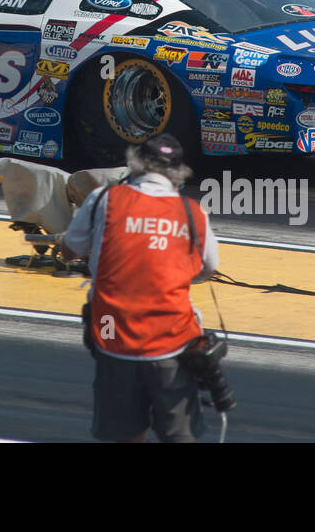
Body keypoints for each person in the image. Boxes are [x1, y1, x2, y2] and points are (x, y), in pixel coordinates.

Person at [61, 135, 219, 444]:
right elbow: (209, 267)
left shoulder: (104, 198)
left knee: (123, 435)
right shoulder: (192, 212)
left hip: (111, 336)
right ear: (179, 172)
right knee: (179, 437)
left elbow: (69, 249)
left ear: (134, 162)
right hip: (172, 338)